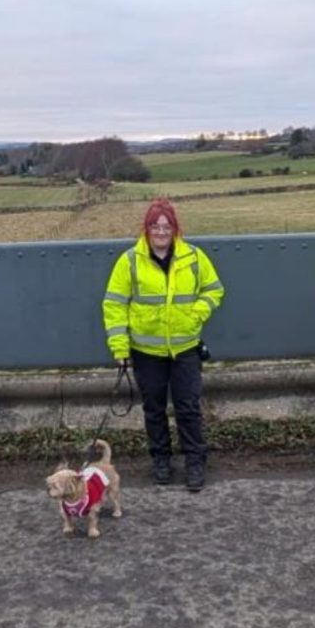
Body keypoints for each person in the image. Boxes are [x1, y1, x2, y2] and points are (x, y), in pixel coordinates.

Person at [101, 198, 224, 492]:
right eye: (155, 226)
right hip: (146, 351)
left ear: (175, 229)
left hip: (185, 348)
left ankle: (195, 461)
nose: (160, 231)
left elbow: (214, 289)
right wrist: (120, 348)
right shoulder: (129, 261)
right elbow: (114, 305)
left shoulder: (194, 257)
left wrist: (198, 313)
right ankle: (161, 461)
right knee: (154, 409)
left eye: (166, 226)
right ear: (147, 229)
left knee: (188, 407)